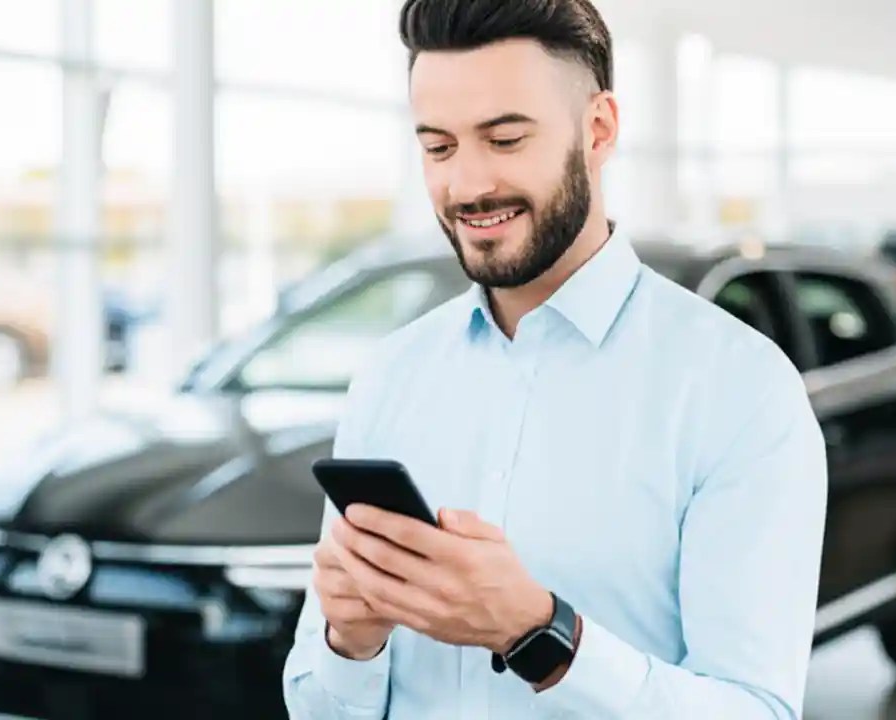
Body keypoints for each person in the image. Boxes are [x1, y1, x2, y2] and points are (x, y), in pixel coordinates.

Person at [283, 0, 827, 717]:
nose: (468, 185)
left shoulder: (739, 391)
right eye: (439, 148)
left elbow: (756, 710)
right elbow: (317, 706)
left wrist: (538, 633)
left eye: (505, 139)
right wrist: (350, 642)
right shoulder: (392, 376)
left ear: (598, 129)